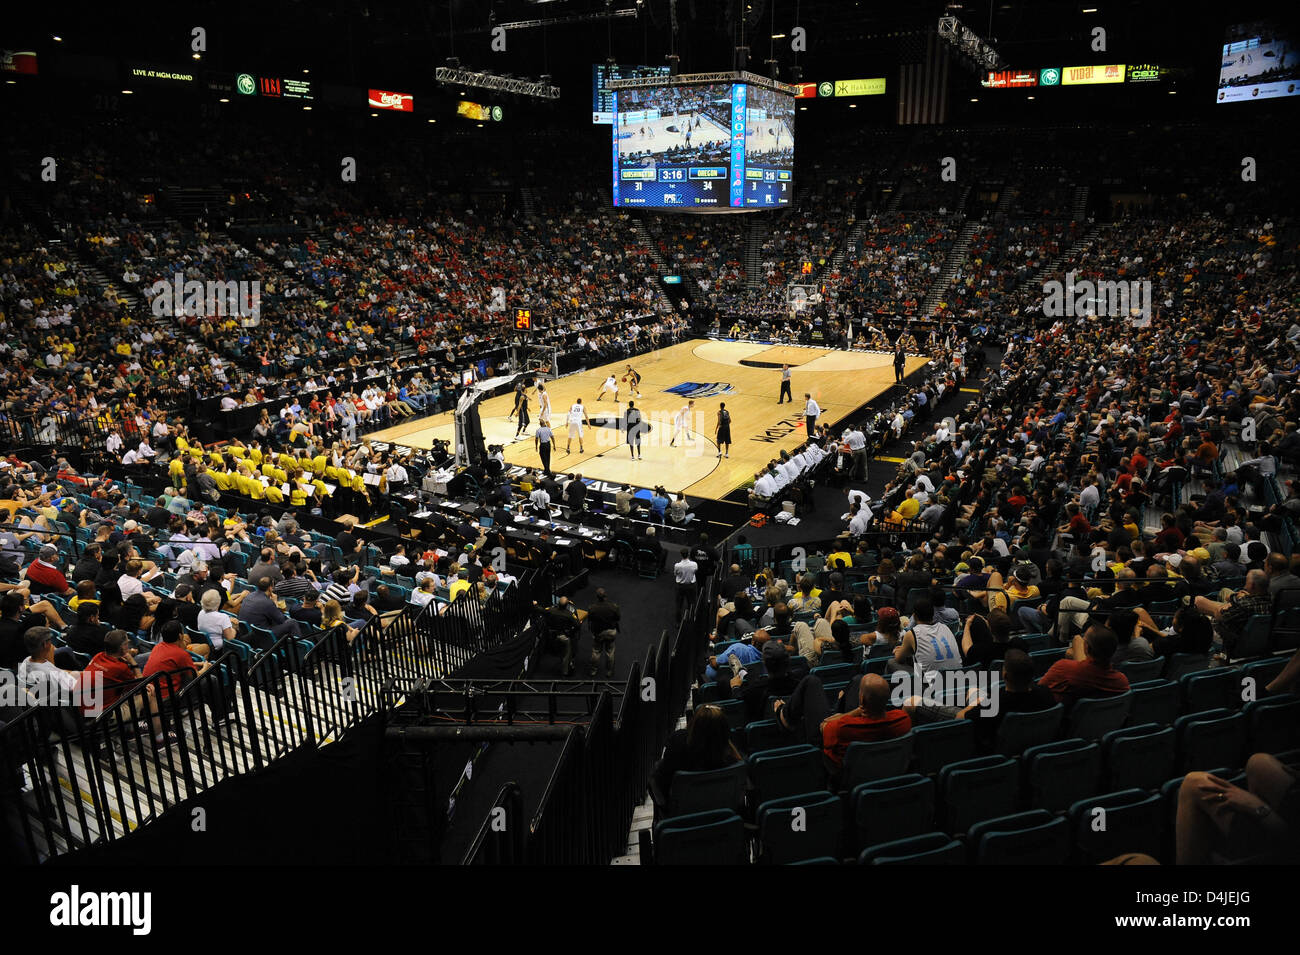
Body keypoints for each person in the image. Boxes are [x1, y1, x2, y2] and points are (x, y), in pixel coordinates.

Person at [1176, 754, 1298, 864]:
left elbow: (1292, 841)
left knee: (1193, 783)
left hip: (1285, 838)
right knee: (1259, 762)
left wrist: (1259, 807)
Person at [648, 704, 744, 815]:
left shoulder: (677, 745)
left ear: (694, 725)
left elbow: (663, 784)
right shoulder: (733, 760)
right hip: (723, 818)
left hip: (683, 821)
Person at [1038, 624, 1130, 707]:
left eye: (1084, 640)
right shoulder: (1122, 682)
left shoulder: (1064, 668)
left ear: (1086, 647)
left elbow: (1040, 690)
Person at [586, 588, 620, 678]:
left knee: (596, 652)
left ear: (597, 597)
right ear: (606, 596)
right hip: (610, 632)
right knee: (610, 652)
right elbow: (618, 618)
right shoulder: (614, 607)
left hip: (598, 633)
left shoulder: (592, 608)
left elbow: (590, 620)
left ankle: (593, 671)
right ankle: (609, 672)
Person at [674, 548, 698, 621]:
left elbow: (675, 574)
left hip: (680, 586)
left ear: (681, 555)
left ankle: (678, 622)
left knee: (679, 605)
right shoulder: (694, 564)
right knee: (691, 603)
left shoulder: (677, 565)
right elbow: (695, 571)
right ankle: (691, 618)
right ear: (688, 554)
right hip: (691, 586)